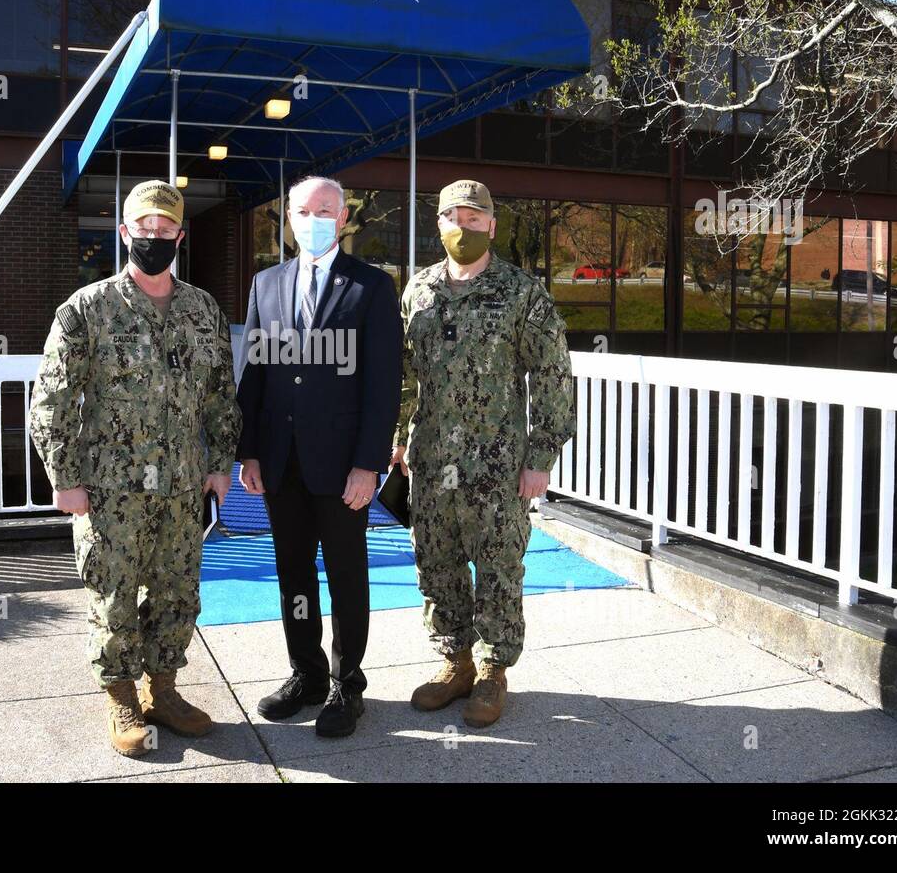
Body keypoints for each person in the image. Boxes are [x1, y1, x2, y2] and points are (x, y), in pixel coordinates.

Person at [29, 179, 240, 758]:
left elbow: (222, 394)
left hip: (180, 486)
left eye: (165, 228)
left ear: (180, 234)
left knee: (178, 593)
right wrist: (65, 478)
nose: (154, 236)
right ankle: (121, 695)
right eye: (143, 227)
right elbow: (50, 400)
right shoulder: (86, 310)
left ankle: (164, 691)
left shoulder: (203, 311)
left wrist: (220, 464)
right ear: (125, 232)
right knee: (114, 594)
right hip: (109, 490)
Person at [391, 179, 575, 728]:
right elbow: (403, 376)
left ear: (492, 226)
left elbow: (552, 375)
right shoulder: (418, 291)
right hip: (430, 461)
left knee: (498, 569)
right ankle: (456, 664)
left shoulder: (522, 293)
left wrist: (541, 455)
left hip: (496, 464)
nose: (463, 228)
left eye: (474, 219)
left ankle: (494, 670)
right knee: (437, 564)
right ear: (439, 224)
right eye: (453, 218)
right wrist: (398, 437)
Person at [236, 175, 402, 738]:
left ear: (345, 215)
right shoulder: (265, 283)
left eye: (326, 210)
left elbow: (383, 385)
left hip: (344, 468)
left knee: (347, 577)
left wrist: (369, 464)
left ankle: (345, 684)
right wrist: (250, 452)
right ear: (288, 215)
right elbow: (255, 375)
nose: (314, 219)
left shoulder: (373, 287)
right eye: (304, 210)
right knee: (295, 576)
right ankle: (305, 673)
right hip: (282, 462)